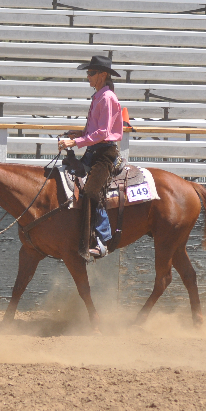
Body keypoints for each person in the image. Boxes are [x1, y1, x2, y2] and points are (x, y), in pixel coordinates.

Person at [57, 56, 123, 261]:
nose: (88, 77)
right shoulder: (99, 96)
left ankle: (103, 240)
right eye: (88, 73)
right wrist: (80, 133)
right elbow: (95, 129)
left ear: (103, 75)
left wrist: (74, 143)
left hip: (104, 153)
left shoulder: (107, 98)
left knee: (93, 192)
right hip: (94, 151)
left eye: (91, 73)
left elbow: (103, 132)